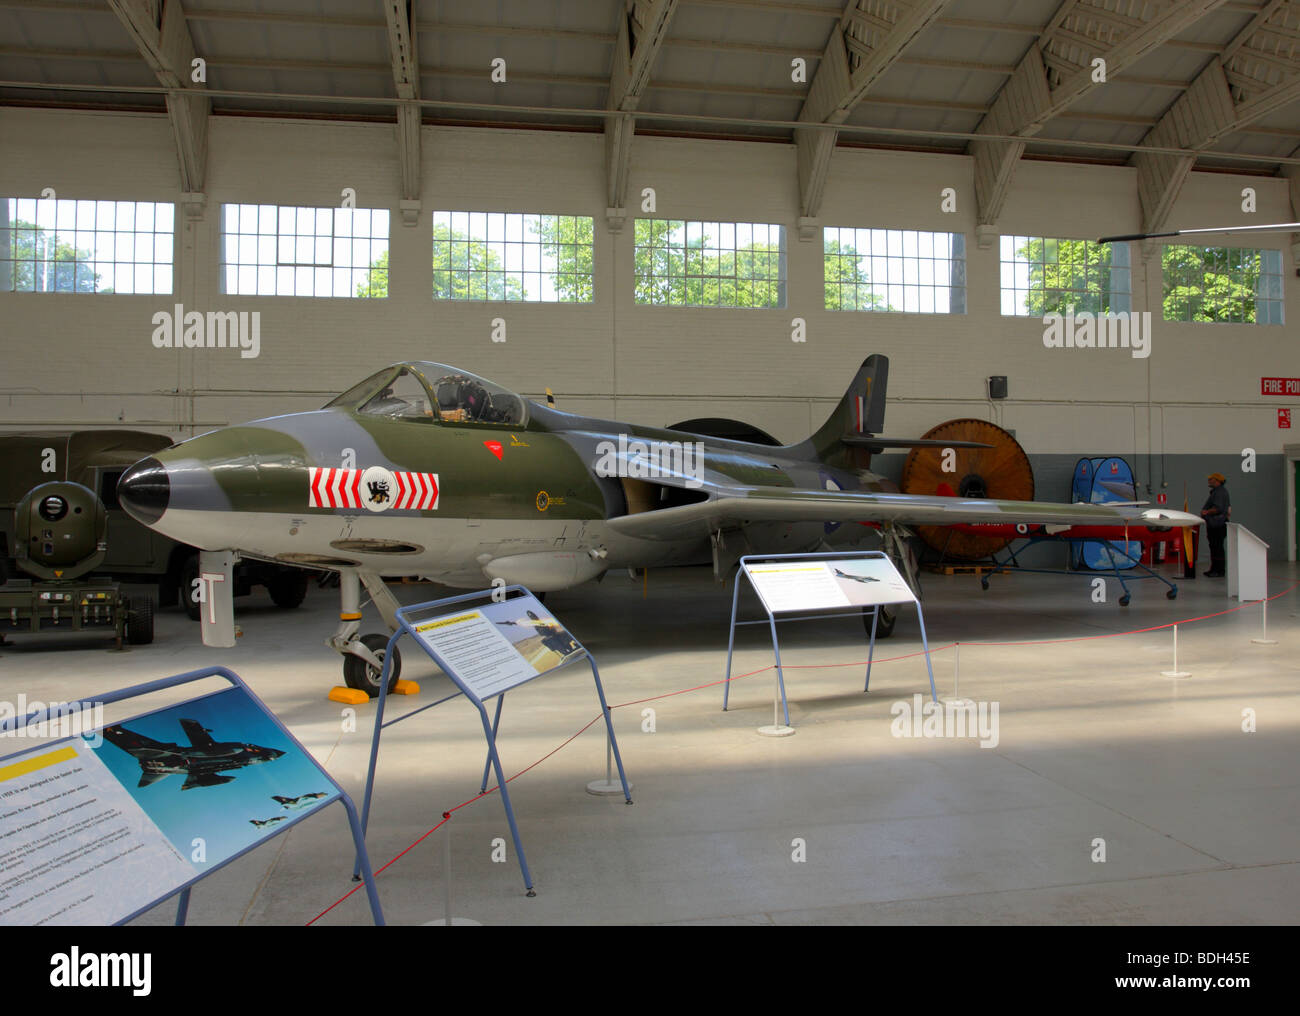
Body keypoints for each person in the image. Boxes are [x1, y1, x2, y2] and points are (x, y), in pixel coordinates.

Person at [1199, 472, 1231, 577]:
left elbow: (1218, 508)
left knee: (1217, 547)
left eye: (1211, 479)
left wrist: (1206, 512)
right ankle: (1214, 569)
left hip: (1217, 525)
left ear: (1217, 481)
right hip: (1216, 524)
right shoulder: (1218, 492)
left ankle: (1218, 570)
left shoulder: (1219, 493)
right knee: (1215, 547)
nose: (1209, 481)